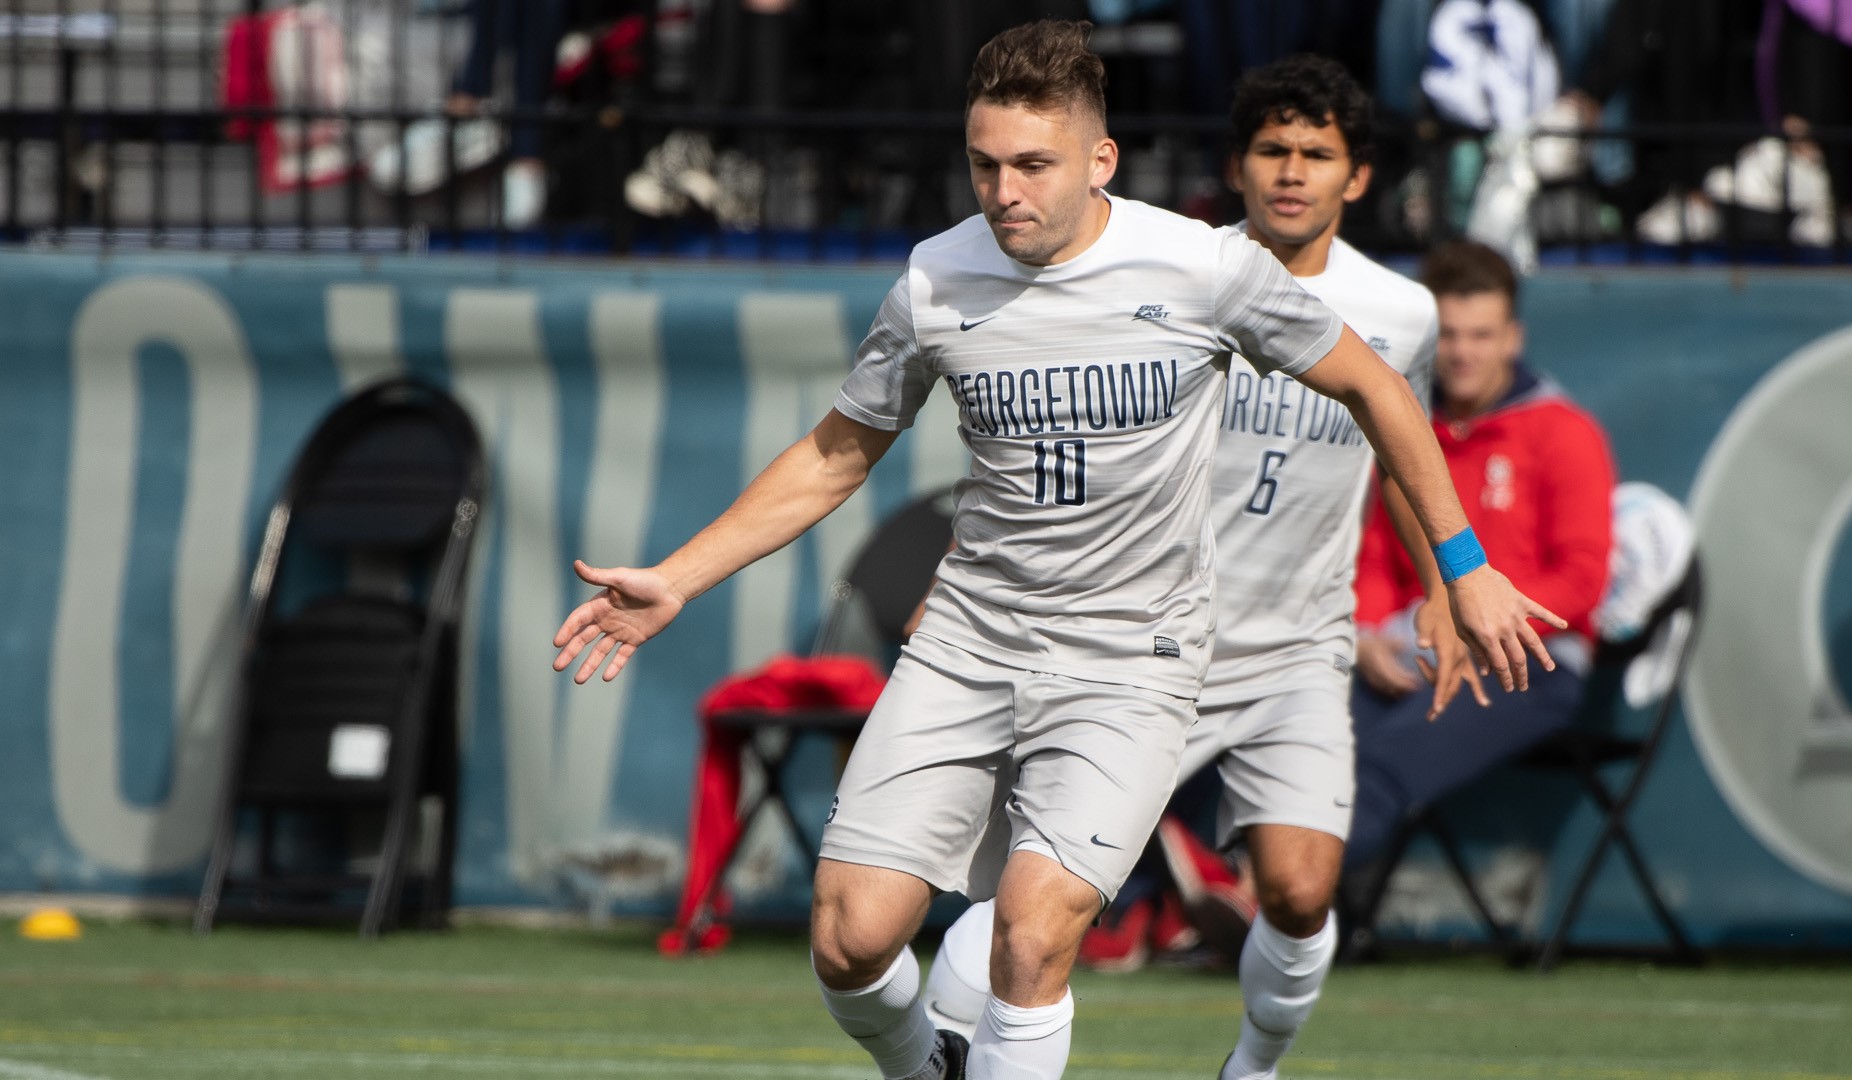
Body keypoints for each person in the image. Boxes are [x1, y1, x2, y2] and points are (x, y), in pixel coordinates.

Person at [553, 22, 1560, 1080]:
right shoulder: (936, 280)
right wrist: (674, 577)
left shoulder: (1205, 267)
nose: (1004, 191)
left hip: (1137, 661)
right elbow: (835, 455)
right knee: (850, 942)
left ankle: (1252, 1064)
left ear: (1099, 159)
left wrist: (1465, 569)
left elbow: (1378, 389)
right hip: (969, 647)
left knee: (1034, 937)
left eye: (1032, 164)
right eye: (984, 164)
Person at [919, 54, 1488, 1080]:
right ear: (1237, 165)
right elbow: (1054, 464)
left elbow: (1396, 451)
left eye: (1318, 154)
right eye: (1273, 149)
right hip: (1145, 644)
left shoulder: (1398, 311)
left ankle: (1253, 1070)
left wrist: (1447, 585)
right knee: (1036, 904)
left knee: (1304, 892)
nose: (1292, 172)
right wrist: (960, 573)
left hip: (1298, 649)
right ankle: (939, 1054)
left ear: (1357, 179)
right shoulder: (1172, 272)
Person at [1344, 239, 1615, 870]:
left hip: (1531, 660)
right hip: (1412, 647)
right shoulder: (1405, 430)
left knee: (1382, 765)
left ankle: (1266, 904)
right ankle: (1205, 898)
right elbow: (1377, 558)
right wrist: (1364, 637)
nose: (1463, 353)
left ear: (1512, 338)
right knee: (1295, 743)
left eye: (1482, 335)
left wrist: (1480, 628)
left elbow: (1582, 581)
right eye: (1450, 335)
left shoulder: (1564, 432)